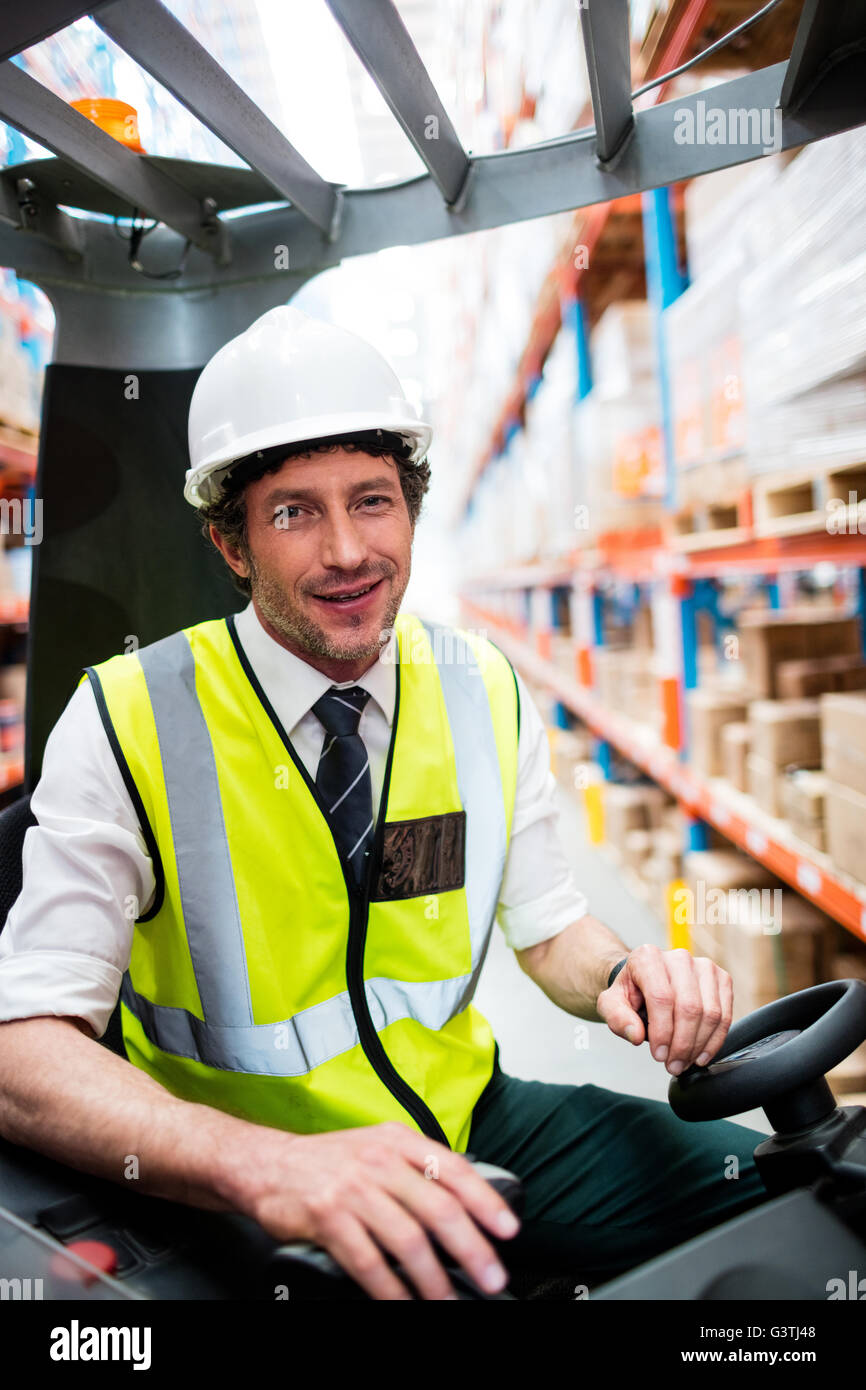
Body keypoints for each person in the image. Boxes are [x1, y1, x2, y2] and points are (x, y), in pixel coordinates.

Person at [0, 306, 769, 1301]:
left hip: (466, 1123)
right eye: (292, 512)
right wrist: (266, 1168)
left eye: (371, 500)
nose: (346, 552)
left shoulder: (477, 683)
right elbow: (21, 1052)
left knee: (786, 1198)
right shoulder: (128, 718)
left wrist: (624, 971)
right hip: (241, 1176)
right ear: (230, 544)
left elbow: (548, 931)